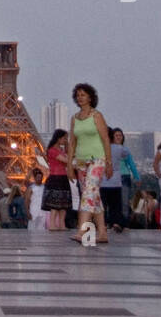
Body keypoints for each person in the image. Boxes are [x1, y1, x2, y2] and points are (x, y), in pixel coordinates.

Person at [66, 83, 112, 245]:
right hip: (81, 161)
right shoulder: (75, 118)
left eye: (83, 94)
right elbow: (72, 142)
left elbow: (106, 139)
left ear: (90, 97)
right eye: (78, 95)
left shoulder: (97, 116)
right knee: (94, 196)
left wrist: (109, 161)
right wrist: (69, 164)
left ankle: (83, 229)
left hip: (96, 159)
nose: (80, 97)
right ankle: (102, 233)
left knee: (87, 194)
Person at [41, 129, 71, 231]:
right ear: (58, 138)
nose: (65, 140)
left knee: (63, 203)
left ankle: (61, 224)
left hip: (62, 177)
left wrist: (67, 146)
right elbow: (67, 160)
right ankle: (52, 224)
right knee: (55, 203)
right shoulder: (52, 151)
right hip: (56, 177)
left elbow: (68, 158)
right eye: (64, 138)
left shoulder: (60, 151)